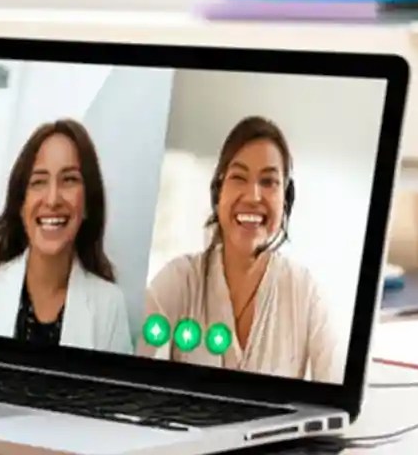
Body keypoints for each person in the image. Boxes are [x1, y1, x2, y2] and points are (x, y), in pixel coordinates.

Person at [141, 116, 340, 383]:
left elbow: (337, 396)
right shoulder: (179, 281)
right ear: (218, 192)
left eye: (269, 182)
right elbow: (129, 372)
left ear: (286, 199)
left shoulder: (306, 293)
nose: (253, 196)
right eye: (238, 177)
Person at [0, 119, 134, 354]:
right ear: (21, 204)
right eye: (38, 182)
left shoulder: (110, 306)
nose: (52, 200)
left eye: (69, 179)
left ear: (88, 205)